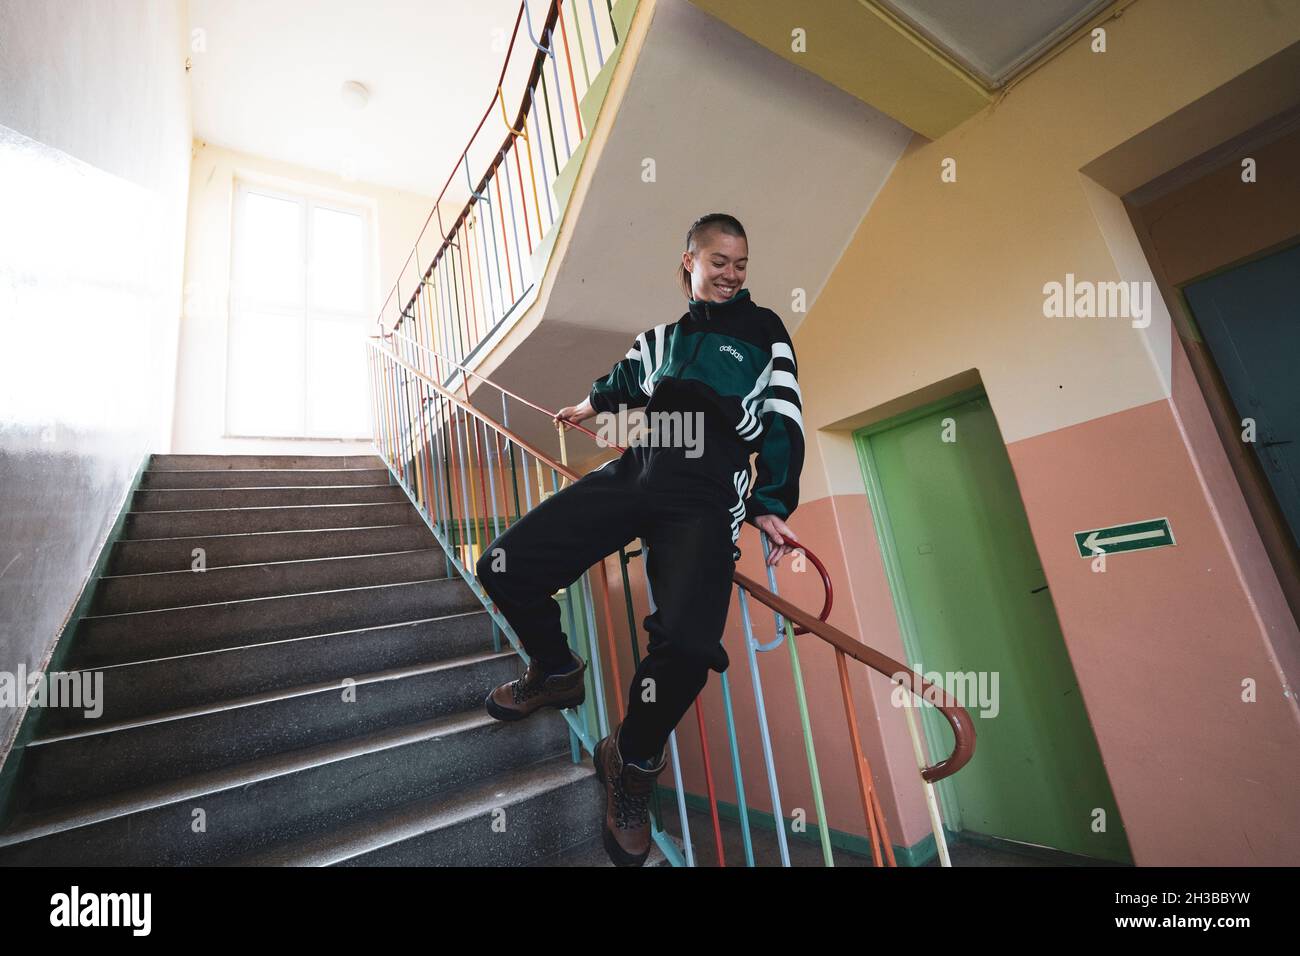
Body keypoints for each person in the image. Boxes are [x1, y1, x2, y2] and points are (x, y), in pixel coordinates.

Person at [475, 212, 804, 866]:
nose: (732, 275)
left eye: (741, 264)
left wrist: (770, 503)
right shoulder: (659, 338)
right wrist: (587, 407)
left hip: (709, 489)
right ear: (690, 262)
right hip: (642, 462)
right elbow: (623, 383)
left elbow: (784, 416)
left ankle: (631, 759)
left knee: (687, 644)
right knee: (502, 565)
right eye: (720, 263)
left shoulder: (764, 331)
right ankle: (559, 670)